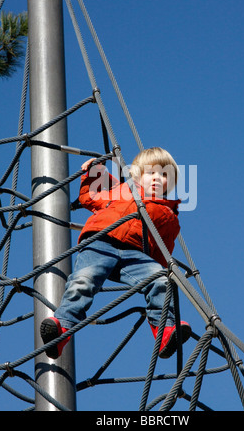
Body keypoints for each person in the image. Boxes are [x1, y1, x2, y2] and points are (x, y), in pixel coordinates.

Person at [40, 147, 191, 360]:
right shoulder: (121, 190)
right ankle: (62, 329)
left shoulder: (168, 214)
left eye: (165, 175)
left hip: (134, 256)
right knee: (83, 281)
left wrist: (161, 273)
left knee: (162, 280)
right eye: (151, 172)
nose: (158, 178)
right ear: (138, 175)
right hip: (100, 243)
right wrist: (96, 169)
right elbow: (89, 197)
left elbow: (161, 250)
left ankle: (164, 330)